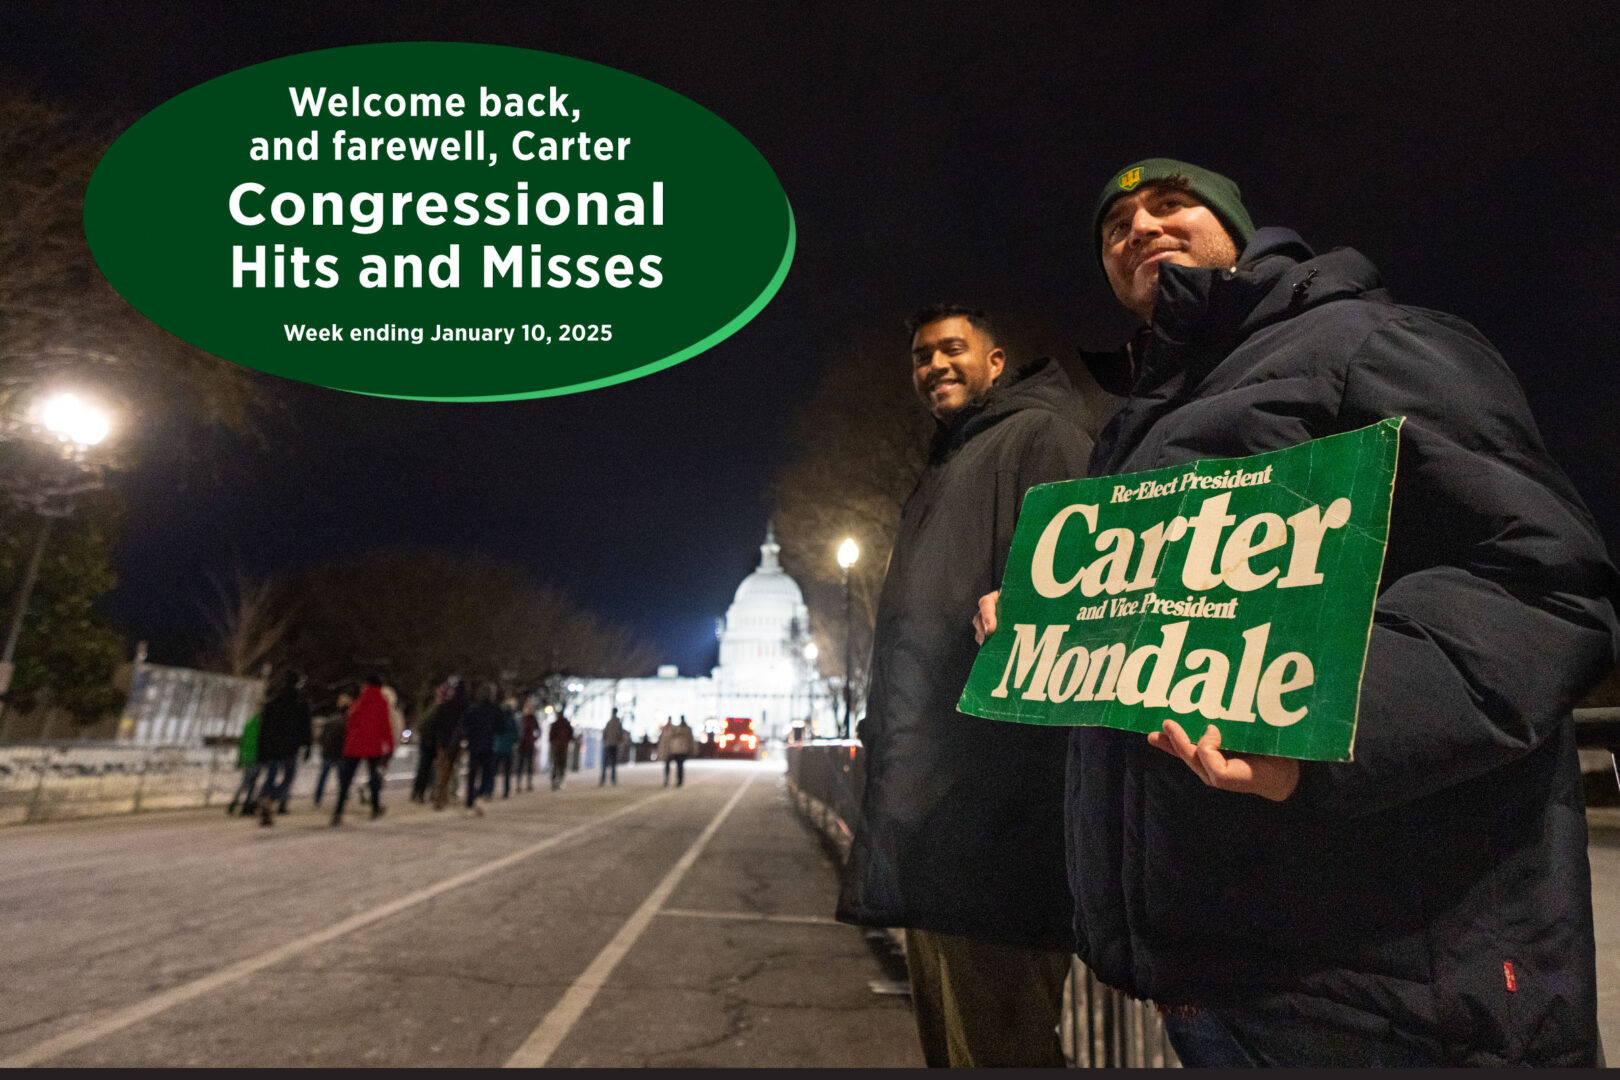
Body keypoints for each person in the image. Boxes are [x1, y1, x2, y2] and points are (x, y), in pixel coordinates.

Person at [976, 158, 1618, 1067]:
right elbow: (1179, 629)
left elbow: (1540, 582)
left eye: (1171, 205)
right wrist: (1052, 619)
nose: (1141, 229)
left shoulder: (1368, 342)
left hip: (1386, 988)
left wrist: (1315, 727)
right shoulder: (1139, 427)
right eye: (1116, 227)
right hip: (1214, 972)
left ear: (1237, 228)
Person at [832, 303, 1094, 1068]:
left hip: (998, 826)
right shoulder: (952, 463)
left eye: (952, 349)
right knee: (955, 1047)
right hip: (938, 826)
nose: (934, 366)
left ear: (996, 359)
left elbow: (1082, 591)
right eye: (920, 356)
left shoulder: (1041, 438)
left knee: (999, 1045)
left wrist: (1037, 609)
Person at [331, 673, 395, 825]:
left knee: (346, 780)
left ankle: (338, 811)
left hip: (355, 744)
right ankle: (375, 807)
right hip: (373, 745)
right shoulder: (381, 702)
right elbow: (385, 726)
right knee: (374, 777)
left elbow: (350, 723)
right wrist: (390, 746)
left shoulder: (358, 702)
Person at [253, 670, 313, 825]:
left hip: (273, 746)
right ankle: (271, 798)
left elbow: (264, 728)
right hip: (290, 747)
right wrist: (307, 746)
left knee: (271, 775)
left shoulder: (274, 702)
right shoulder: (301, 703)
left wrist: (261, 750)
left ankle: (265, 799)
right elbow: (306, 727)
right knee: (288, 776)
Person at [461, 683, 504, 815]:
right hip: (488, 746)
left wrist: (468, 738)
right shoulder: (495, 709)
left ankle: (470, 802)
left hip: (474, 745)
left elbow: (465, 725)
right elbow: (501, 727)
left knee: (472, 774)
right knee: (487, 774)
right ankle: (480, 796)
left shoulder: (474, 708)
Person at [429, 680, 470, 810]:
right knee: (450, 771)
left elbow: (434, 724)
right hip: (456, 744)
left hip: (443, 742)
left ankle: (441, 796)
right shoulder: (466, 707)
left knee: (443, 770)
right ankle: (443, 797)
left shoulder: (444, 707)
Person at [312, 693, 351, 807]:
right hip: (339, 753)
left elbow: (323, 737)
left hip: (328, 752)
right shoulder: (346, 721)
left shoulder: (331, 719)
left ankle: (317, 798)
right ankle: (343, 798)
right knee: (341, 778)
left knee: (323, 776)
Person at [225, 710, 261, 816]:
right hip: (256, 758)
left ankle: (235, 802)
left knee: (245, 782)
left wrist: (240, 759)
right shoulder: (262, 728)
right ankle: (247, 806)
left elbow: (242, 743)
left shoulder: (248, 725)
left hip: (246, 757)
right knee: (252, 784)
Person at [656, 715, 695, 787]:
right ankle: (670, 780)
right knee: (674, 766)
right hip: (673, 750)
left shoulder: (677, 729)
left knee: (679, 766)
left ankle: (678, 781)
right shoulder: (672, 729)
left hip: (677, 750)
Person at [515, 701, 540, 792]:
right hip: (522, 745)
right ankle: (518, 784)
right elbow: (517, 731)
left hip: (530, 745)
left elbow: (538, 731)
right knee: (520, 766)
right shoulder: (522, 719)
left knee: (529, 765)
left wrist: (534, 738)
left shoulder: (533, 720)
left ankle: (529, 784)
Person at [600, 708, 628, 786]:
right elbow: (620, 734)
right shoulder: (618, 723)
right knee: (613, 764)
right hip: (614, 745)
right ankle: (613, 780)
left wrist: (606, 741)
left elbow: (604, 733)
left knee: (605, 764)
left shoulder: (608, 722)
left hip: (608, 745)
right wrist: (618, 740)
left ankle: (603, 780)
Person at [547, 710, 575, 790]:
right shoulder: (566, 724)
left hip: (556, 746)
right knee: (562, 764)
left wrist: (553, 742)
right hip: (563, 746)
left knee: (556, 764)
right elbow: (571, 734)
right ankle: (560, 781)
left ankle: (554, 781)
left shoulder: (555, 724)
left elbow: (551, 736)